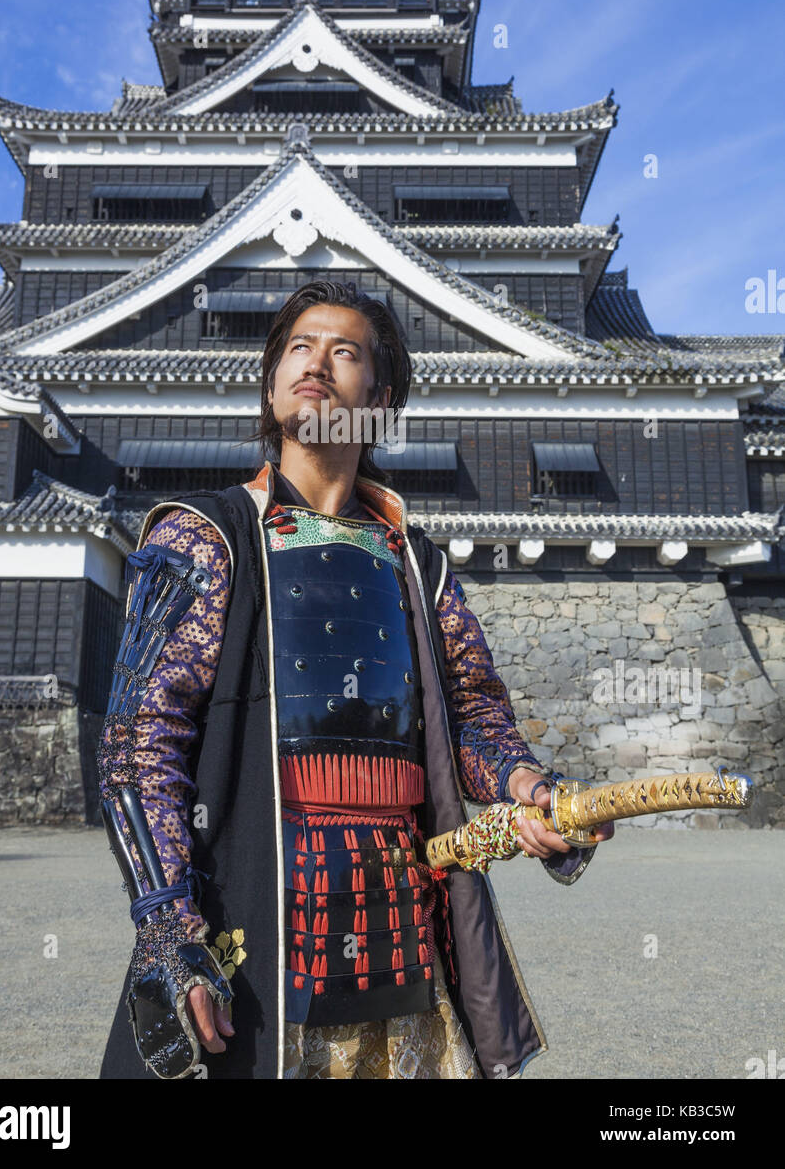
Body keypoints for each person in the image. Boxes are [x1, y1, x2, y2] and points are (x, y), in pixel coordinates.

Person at [97, 280, 614, 1081]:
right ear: (271, 388)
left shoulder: (418, 562)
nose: (317, 363)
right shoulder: (207, 537)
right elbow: (139, 745)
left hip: (402, 916)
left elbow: (473, 719)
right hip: (257, 910)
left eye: (346, 351)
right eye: (299, 347)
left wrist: (533, 792)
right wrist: (168, 926)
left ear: (378, 396)